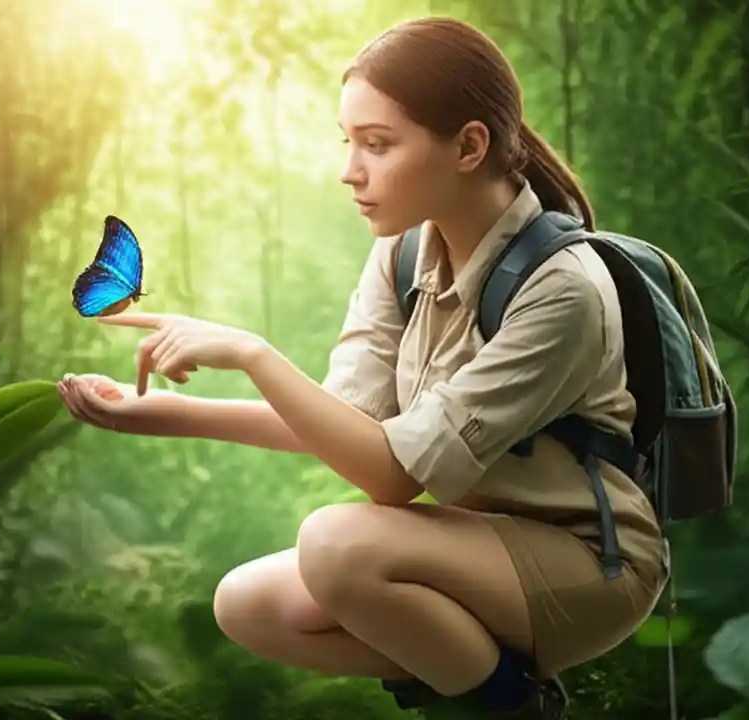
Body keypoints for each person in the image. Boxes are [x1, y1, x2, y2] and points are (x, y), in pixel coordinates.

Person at [57, 15, 668, 719]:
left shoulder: (562, 291)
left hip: (591, 564)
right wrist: (160, 415)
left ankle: (510, 706)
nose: (350, 170)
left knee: (336, 543)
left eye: (377, 145)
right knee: (251, 605)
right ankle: (484, 683)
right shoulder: (405, 252)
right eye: (348, 142)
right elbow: (350, 424)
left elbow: (390, 477)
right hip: (481, 546)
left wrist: (251, 353)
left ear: (469, 146)